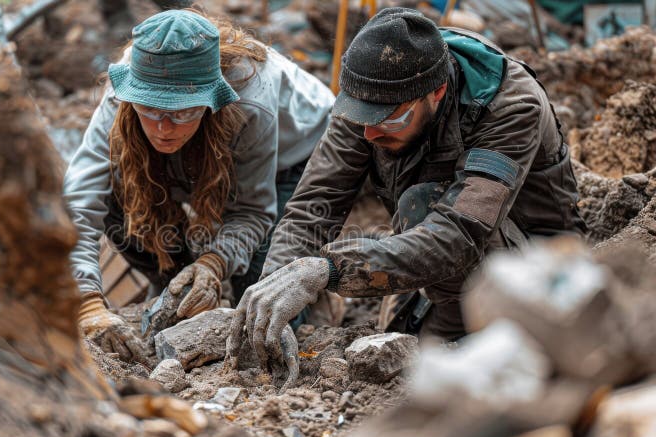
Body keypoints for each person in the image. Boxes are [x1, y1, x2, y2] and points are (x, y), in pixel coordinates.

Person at [226, 7, 586, 371]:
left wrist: (330, 269)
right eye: (361, 117)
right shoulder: (372, 88)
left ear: (437, 92)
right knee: (395, 339)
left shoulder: (509, 107)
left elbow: (459, 232)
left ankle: (468, 339)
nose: (369, 134)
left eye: (387, 120)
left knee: (421, 208)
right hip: (434, 249)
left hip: (538, 266)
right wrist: (274, 292)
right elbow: (314, 206)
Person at [62, 9, 334, 356]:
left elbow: (251, 211)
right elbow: (78, 200)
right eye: (150, 110)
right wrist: (87, 302)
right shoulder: (126, 90)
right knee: (121, 192)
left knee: (261, 300)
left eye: (181, 112)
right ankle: (175, 288)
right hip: (207, 136)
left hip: (295, 149)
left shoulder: (251, 103)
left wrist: (214, 263)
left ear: (211, 99)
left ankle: (314, 303)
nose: (163, 129)